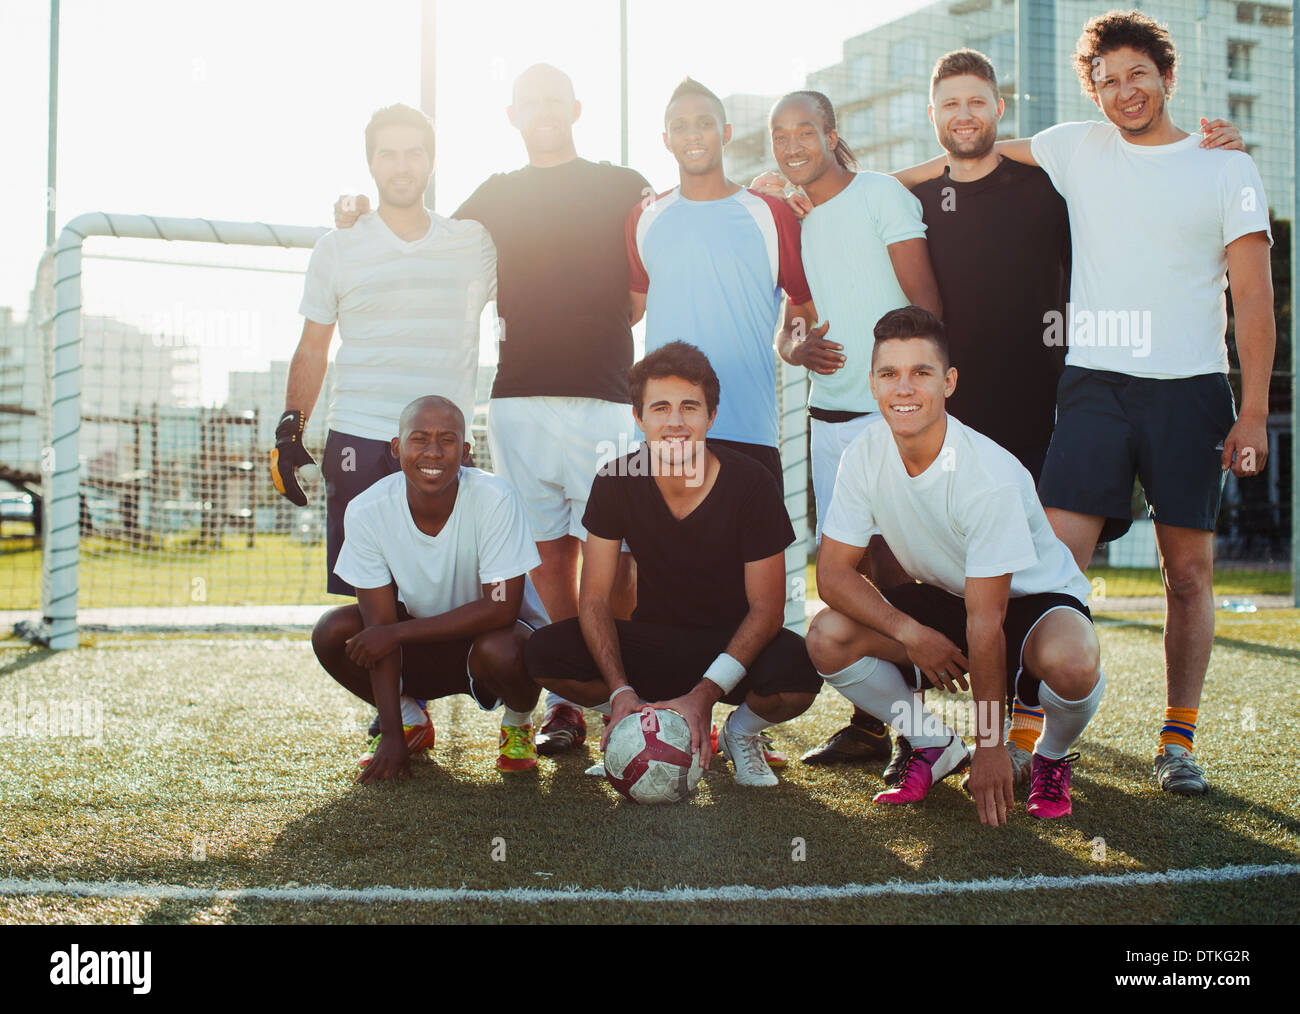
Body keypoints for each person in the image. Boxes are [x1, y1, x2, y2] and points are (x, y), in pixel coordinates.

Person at [899, 12, 1272, 796]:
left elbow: (1253, 297)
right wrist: (840, 188)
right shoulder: (1074, 146)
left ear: (1166, 77)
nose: (1124, 91)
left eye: (1138, 75)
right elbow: (965, 155)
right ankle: (1030, 732)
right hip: (1095, 385)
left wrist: (1252, 409)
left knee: (1187, 574)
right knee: (1055, 564)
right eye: (1108, 81)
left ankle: (1178, 740)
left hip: (1192, 392)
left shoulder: (1226, 166)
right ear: (1092, 91)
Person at [335, 65, 650, 758]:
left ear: (577, 107)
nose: (543, 110)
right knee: (550, 558)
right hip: (517, 400)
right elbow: (427, 235)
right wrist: (359, 216)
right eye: (530, 101)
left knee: (618, 561)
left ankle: (625, 695)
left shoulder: (622, 185)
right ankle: (567, 698)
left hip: (605, 397)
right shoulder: (497, 195)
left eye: (554, 99)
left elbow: (642, 288)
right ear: (512, 114)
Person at [808, 307, 1104, 822]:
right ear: (873, 385)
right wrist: (910, 633)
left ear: (948, 382)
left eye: (920, 373)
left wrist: (990, 746)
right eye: (889, 374)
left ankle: (1051, 756)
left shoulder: (985, 475)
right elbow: (832, 575)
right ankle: (933, 743)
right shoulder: (863, 455)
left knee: (1073, 662)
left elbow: (986, 621)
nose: (904, 388)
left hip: (1034, 604)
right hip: (950, 596)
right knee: (827, 636)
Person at [525, 342, 821, 787]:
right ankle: (635, 719)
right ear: (638, 417)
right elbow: (594, 599)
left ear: (711, 416)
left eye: (690, 407)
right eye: (660, 407)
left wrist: (706, 694)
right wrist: (620, 690)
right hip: (654, 643)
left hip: (730, 646)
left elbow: (767, 610)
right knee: (544, 652)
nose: (676, 421)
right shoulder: (615, 479)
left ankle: (740, 733)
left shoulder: (751, 482)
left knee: (799, 670)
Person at [754, 89, 942, 771]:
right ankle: (878, 725)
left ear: (831, 135)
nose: (793, 145)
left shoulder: (880, 194)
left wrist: (920, 400)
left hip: (889, 417)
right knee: (851, 572)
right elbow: (790, 328)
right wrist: (797, 348)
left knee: (895, 567)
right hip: (827, 418)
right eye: (780, 134)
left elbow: (926, 306)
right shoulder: (791, 221)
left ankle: (917, 730)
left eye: (805, 130)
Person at [274, 104, 495, 602]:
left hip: (443, 443)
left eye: (414, 153)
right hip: (360, 439)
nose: (401, 166)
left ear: (432, 162)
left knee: (449, 596)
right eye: (388, 154)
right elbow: (313, 346)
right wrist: (290, 429)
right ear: (370, 163)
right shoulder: (337, 246)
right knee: (369, 605)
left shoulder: (472, 243)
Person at [312, 396, 549, 780]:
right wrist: (392, 735)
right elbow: (378, 627)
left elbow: (501, 608)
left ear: (466, 451)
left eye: (447, 440)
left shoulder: (495, 498)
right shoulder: (367, 510)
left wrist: (395, 634)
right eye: (419, 439)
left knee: (503, 650)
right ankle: (410, 723)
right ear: (396, 448)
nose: (433, 452)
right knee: (333, 631)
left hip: (490, 641)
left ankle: (518, 724)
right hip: (420, 645)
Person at [626, 78, 818, 489]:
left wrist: (795, 342)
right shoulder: (644, 217)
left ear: (726, 132)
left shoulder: (770, 213)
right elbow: (629, 312)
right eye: (680, 126)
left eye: (705, 123)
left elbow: (802, 302)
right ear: (666, 140)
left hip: (748, 428)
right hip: (667, 434)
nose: (693, 135)